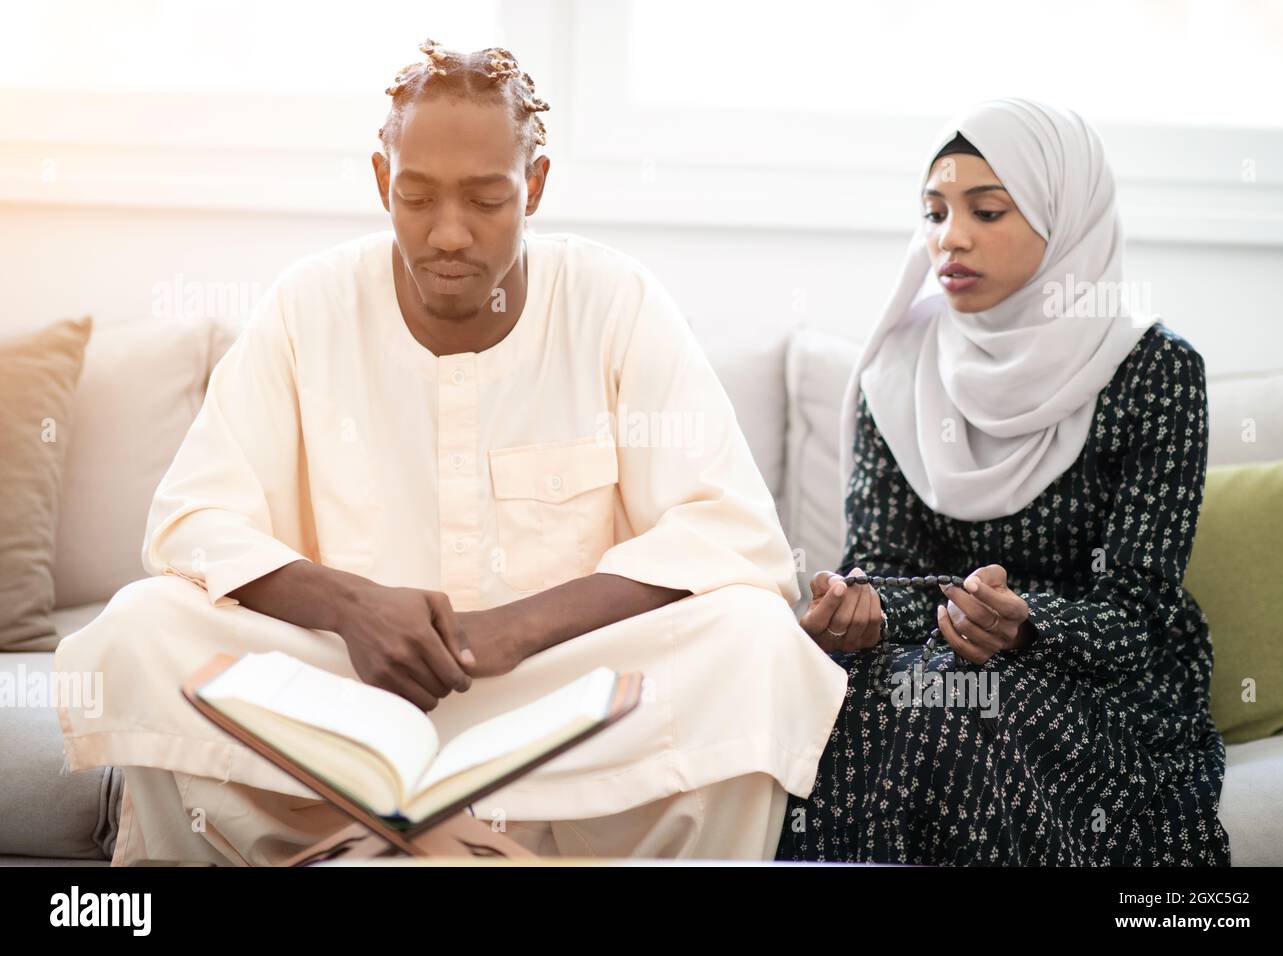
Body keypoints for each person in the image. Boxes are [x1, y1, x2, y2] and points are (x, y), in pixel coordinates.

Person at [54, 40, 847, 866]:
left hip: (562, 700)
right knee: (146, 625)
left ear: (535, 185)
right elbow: (192, 523)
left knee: (752, 634)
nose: (448, 234)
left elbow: (731, 535)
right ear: (379, 181)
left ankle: (401, 843)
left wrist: (517, 628)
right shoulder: (309, 305)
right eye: (417, 196)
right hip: (347, 698)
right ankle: (393, 831)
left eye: (487, 199)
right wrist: (352, 609)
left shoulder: (615, 302)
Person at [781, 99, 1231, 865]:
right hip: (931, 655)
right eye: (933, 213)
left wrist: (1028, 627)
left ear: (1068, 216)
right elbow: (889, 570)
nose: (949, 238)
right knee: (870, 701)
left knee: (969, 707)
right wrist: (859, 610)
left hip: (1100, 672)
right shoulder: (900, 370)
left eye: (987, 210)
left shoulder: (1156, 372)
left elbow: (1137, 610)